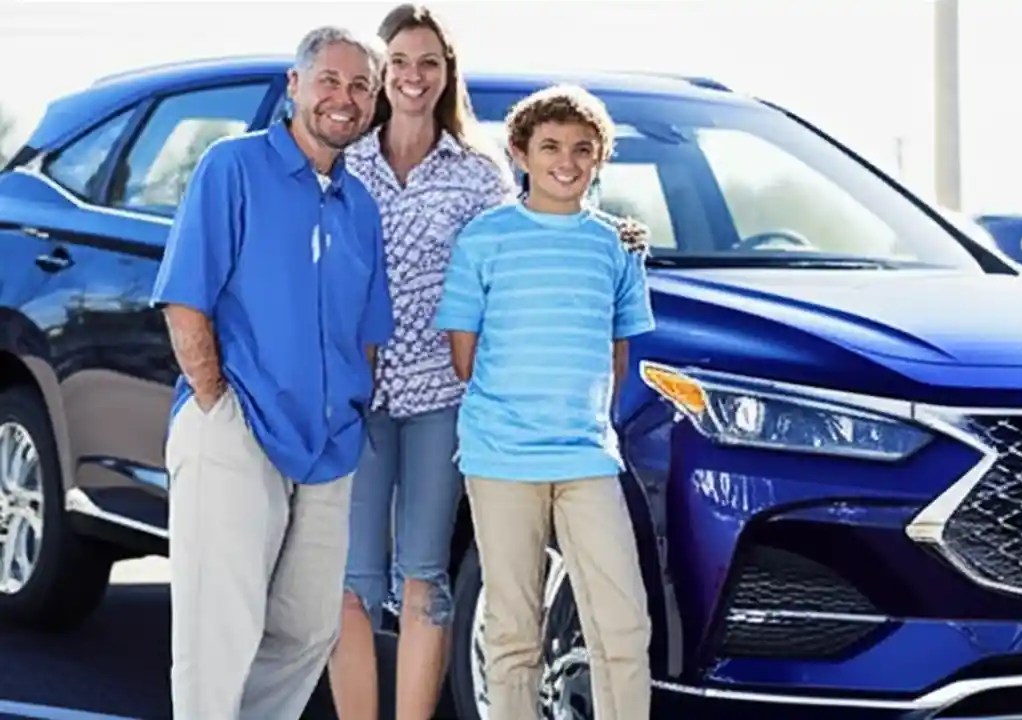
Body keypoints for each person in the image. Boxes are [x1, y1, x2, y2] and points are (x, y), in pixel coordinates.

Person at [150, 26, 393, 720]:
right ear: (294, 86)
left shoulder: (361, 208)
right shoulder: (232, 168)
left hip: (328, 444)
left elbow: (366, 333)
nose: (343, 99)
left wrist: (348, 408)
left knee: (306, 629)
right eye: (329, 81)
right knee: (218, 630)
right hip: (237, 427)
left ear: (373, 103)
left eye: (359, 87)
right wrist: (215, 400)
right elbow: (186, 301)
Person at [434, 84, 655, 720]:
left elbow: (617, 351)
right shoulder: (485, 239)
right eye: (551, 147)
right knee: (512, 628)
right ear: (520, 154)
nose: (567, 161)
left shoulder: (616, 246)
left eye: (584, 150)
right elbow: (463, 354)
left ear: (599, 159)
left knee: (622, 622)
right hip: (501, 457)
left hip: (586, 458)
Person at [325, 5, 514, 720]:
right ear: (380, 74)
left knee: (424, 578)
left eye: (427, 62)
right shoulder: (346, 162)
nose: (412, 76)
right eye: (398, 62)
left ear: (446, 74)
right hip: (355, 394)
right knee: (352, 582)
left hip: (443, 396)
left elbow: (506, 273)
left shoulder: (478, 173)